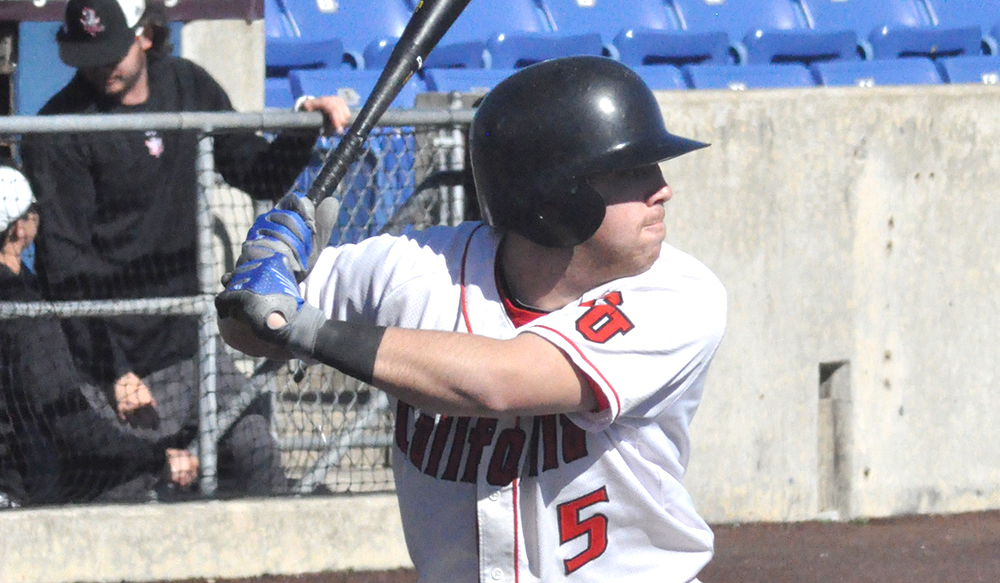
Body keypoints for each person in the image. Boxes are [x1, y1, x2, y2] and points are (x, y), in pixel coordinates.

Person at [217, 56, 727, 582]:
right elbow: (247, 326)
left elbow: (500, 382)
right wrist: (260, 276)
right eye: (631, 171)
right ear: (555, 193)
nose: (661, 187)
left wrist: (305, 328)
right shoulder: (415, 268)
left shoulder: (680, 294)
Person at [20, 0, 350, 498]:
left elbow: (256, 170)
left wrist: (302, 127)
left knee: (255, 450)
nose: (100, 67)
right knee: (134, 491)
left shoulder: (186, 85)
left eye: (111, 51)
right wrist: (116, 371)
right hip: (114, 359)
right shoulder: (60, 128)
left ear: (146, 35)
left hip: (191, 341)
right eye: (87, 55)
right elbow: (66, 264)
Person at [0, 164, 204, 504]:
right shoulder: (26, 313)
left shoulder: (28, 297)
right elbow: (71, 426)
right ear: (20, 229)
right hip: (18, 490)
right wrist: (157, 456)